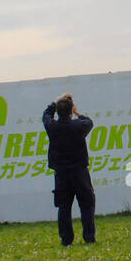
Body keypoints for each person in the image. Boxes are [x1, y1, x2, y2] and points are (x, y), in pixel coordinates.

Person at [43, 94, 96, 245]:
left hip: (61, 174)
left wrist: (55, 101)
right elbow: (89, 122)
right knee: (87, 204)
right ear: (71, 111)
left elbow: (45, 115)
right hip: (79, 172)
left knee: (64, 207)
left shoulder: (52, 127)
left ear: (57, 112)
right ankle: (89, 237)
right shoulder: (78, 126)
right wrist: (78, 113)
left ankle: (66, 239)